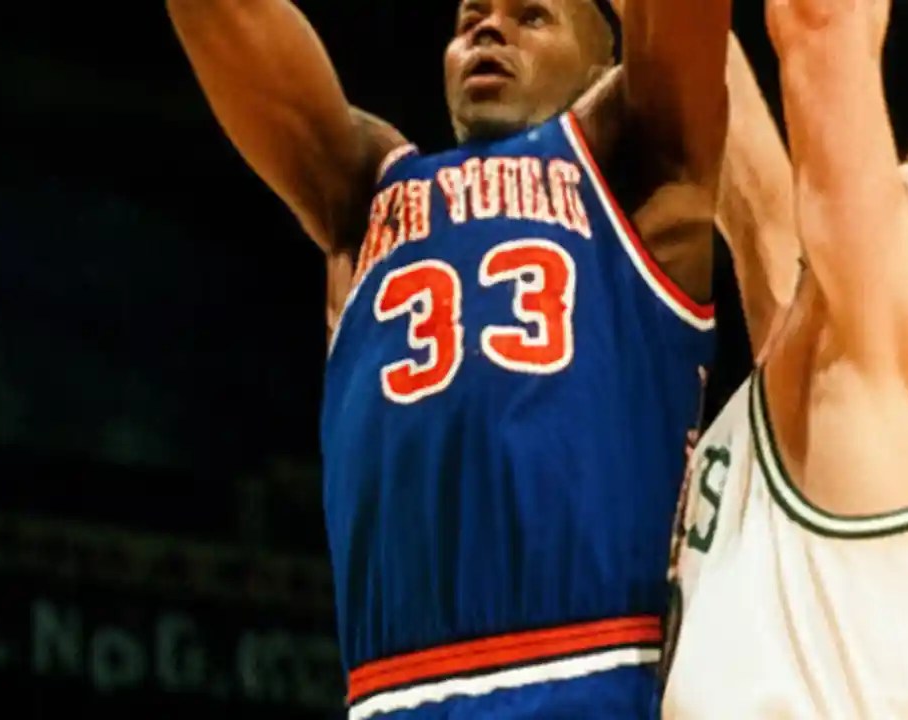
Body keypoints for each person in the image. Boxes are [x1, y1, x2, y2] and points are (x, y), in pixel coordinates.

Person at [167, 0, 730, 717]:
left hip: (595, 670)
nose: (488, 29)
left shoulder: (638, 167)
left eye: (531, 16)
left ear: (602, 67)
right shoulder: (365, 192)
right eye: (469, 18)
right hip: (393, 690)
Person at [660, 0, 908, 717]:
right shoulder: (832, 381)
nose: (859, 209)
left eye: (892, 208)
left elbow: (822, 25)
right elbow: (715, 103)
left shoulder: (895, 384)